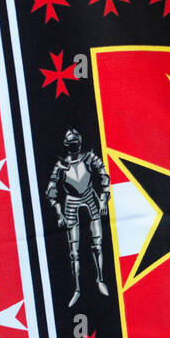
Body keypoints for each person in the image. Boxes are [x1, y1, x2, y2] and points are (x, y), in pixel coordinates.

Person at [46, 129, 110, 306]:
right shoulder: (60, 166)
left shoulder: (90, 158)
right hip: (71, 202)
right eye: (72, 145)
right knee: (74, 252)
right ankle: (77, 288)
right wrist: (59, 212)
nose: (74, 147)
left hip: (90, 196)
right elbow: (52, 190)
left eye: (76, 144)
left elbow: (104, 176)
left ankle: (100, 279)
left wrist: (103, 200)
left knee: (97, 244)